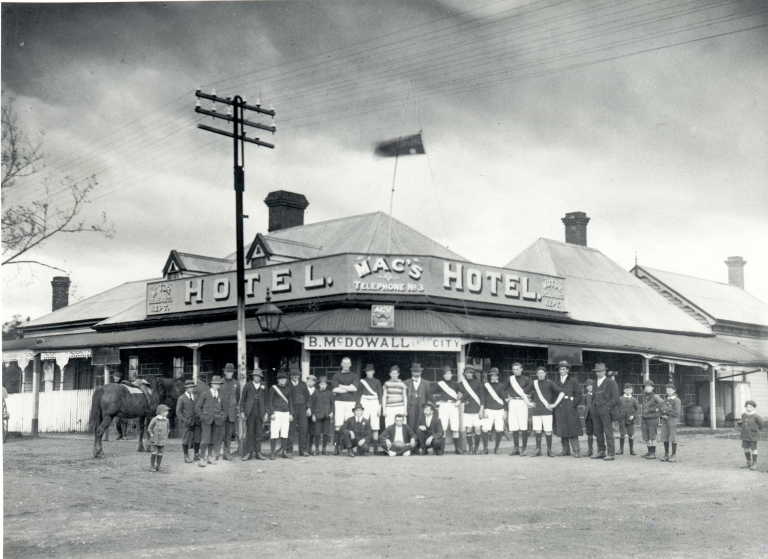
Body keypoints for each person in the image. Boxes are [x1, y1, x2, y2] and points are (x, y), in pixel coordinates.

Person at [590, 363, 620, 461]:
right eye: (597, 371)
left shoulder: (611, 382)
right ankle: (601, 451)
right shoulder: (594, 383)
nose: (599, 373)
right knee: (598, 432)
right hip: (596, 411)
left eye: (601, 371)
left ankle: (611, 453)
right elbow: (593, 396)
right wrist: (593, 407)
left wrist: (607, 407)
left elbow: (615, 398)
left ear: (605, 371)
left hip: (606, 411)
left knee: (608, 432)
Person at [552, 360, 583, 458]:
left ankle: (576, 451)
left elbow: (579, 395)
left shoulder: (573, 380)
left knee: (572, 429)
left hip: (570, 409)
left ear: (567, 370)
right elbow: (553, 395)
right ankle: (565, 450)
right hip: (560, 409)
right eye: (560, 369)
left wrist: (573, 404)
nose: (561, 371)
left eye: (564, 369)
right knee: (562, 429)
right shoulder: (556, 381)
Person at [431, 366, 463, 454]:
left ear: (451, 375)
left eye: (449, 374)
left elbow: (462, 394)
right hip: (444, 406)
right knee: (443, 427)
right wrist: (437, 403)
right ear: (443, 375)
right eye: (446, 374)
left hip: (453, 406)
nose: (448, 375)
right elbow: (431, 393)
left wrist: (459, 401)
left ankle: (457, 448)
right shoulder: (439, 384)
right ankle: (442, 449)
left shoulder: (456, 384)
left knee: (455, 426)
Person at [196, 375, 226, 467]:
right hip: (206, 421)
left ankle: (209, 457)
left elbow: (224, 408)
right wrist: (202, 417)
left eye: (219, 384)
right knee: (205, 440)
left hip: (216, 421)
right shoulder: (205, 394)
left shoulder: (221, 394)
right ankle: (201, 459)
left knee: (213, 440)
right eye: (216, 384)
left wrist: (222, 417)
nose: (218, 386)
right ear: (212, 384)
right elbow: (197, 407)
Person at [530, 366, 560, 457]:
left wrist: (554, 404)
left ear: (545, 374)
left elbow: (560, 392)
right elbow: (524, 392)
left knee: (548, 431)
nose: (541, 375)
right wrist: (529, 402)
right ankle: (538, 450)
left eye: (542, 373)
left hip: (547, 410)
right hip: (536, 411)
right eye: (539, 373)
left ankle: (549, 450)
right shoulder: (533, 383)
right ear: (537, 375)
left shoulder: (550, 383)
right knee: (538, 431)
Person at [331, 357, 359, 455]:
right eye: (344, 363)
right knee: (338, 425)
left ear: (350, 364)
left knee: (349, 425)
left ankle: (349, 448)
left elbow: (354, 388)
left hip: (350, 402)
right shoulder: (336, 375)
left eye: (348, 363)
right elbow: (334, 389)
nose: (346, 365)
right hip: (339, 402)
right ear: (341, 364)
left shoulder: (354, 375)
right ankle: (336, 447)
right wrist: (348, 388)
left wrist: (341, 386)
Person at [506, 362, 534, 456]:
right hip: (512, 402)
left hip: (522, 402)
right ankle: (516, 448)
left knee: (523, 426)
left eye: (517, 369)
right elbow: (502, 389)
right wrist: (506, 396)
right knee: (514, 426)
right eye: (514, 369)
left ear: (521, 369)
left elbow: (531, 389)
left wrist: (527, 396)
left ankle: (524, 448)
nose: (516, 371)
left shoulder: (527, 379)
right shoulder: (510, 379)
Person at [240, 368, 268, 461]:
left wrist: (266, 412)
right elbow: (242, 400)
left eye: (259, 376)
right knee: (250, 433)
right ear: (253, 377)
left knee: (259, 433)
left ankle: (258, 452)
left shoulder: (264, 386)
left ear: (261, 377)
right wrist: (242, 412)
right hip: (250, 412)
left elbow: (266, 400)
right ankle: (249, 452)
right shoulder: (247, 386)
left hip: (260, 412)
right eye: (255, 376)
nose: (257, 378)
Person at [268, 369, 294, 459]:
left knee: (284, 433)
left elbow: (290, 402)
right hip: (276, 413)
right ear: (278, 380)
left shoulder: (288, 389)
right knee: (274, 433)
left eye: (284, 379)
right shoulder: (273, 388)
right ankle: (272, 453)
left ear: (286, 380)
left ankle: (284, 452)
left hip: (286, 413)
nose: (283, 380)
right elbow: (269, 402)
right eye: (281, 379)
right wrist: (271, 413)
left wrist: (291, 414)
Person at [481, 367, 506, 454]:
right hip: (488, 409)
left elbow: (504, 399)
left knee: (499, 429)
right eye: (491, 376)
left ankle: (497, 448)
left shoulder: (501, 386)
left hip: (499, 410)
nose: (493, 377)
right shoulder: (486, 385)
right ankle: (485, 448)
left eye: (495, 376)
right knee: (485, 429)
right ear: (489, 376)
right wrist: (483, 409)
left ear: (498, 376)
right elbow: (483, 398)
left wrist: (505, 411)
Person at [460, 367, 485, 454]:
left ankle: (476, 448)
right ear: (464, 374)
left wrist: (481, 409)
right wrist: (462, 399)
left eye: (470, 373)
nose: (469, 374)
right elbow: (460, 395)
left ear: (473, 374)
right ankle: (470, 447)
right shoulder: (462, 384)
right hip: (467, 410)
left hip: (477, 409)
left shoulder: (478, 383)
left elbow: (482, 396)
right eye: (467, 373)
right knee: (469, 430)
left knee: (478, 429)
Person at [359, 364, 382, 454]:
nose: (369, 372)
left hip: (374, 403)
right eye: (367, 371)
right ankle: (365, 447)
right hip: (364, 402)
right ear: (366, 372)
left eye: (371, 371)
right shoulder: (362, 381)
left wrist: (379, 407)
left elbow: (380, 395)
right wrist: (359, 407)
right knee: (364, 424)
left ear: (373, 372)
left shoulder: (377, 381)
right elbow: (359, 394)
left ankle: (375, 448)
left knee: (375, 425)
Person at [219, 363, 241, 460]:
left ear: (233, 373)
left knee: (228, 434)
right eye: (228, 372)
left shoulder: (236, 384)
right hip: (221, 413)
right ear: (224, 372)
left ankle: (226, 453)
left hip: (231, 414)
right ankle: (215, 452)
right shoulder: (220, 383)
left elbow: (237, 397)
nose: (229, 374)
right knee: (220, 434)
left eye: (231, 372)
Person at [175, 379, 200, 463]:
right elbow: (178, 412)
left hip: (196, 421)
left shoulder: (196, 397)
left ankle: (196, 455)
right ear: (186, 389)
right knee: (185, 439)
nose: (191, 389)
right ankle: (186, 456)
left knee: (197, 438)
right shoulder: (181, 398)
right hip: (186, 422)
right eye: (189, 388)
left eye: (192, 387)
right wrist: (184, 420)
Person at [640, 379, 665, 460]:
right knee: (646, 436)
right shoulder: (644, 396)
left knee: (652, 436)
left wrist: (654, 410)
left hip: (652, 419)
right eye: (646, 387)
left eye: (649, 387)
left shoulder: (655, 396)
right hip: (645, 418)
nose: (647, 388)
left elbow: (662, 404)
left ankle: (653, 453)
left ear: (652, 388)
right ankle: (649, 451)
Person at [288, 370, 311, 456]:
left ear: (299, 376)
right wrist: (289, 411)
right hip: (292, 408)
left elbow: (307, 397)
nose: (295, 377)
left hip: (302, 408)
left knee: (303, 429)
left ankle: (303, 450)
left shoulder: (303, 384)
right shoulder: (288, 385)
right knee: (291, 430)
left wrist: (308, 407)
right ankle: (289, 450)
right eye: (294, 375)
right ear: (291, 376)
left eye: (297, 375)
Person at [310, 374, 335, 455]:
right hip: (318, 416)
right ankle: (317, 449)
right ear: (319, 385)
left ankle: (324, 449)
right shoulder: (315, 392)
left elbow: (333, 404)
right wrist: (313, 414)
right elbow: (312, 404)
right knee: (317, 433)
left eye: (324, 384)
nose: (323, 385)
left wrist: (332, 412)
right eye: (321, 384)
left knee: (326, 433)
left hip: (327, 416)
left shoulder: (330, 393)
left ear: (326, 385)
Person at [736, 400, 763, 470]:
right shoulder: (744, 415)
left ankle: (754, 463)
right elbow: (743, 422)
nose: (748, 408)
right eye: (747, 407)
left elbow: (761, 425)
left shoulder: (756, 416)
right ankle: (748, 462)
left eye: (750, 407)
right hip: (745, 435)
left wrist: (755, 430)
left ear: (754, 407)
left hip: (753, 436)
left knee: (754, 449)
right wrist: (740, 423)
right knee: (745, 448)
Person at [405, 362, 431, 430]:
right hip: (410, 408)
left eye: (418, 371)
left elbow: (429, 397)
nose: (416, 373)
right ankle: (412, 439)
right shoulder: (406, 383)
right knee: (410, 424)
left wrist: (427, 408)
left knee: (421, 425)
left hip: (422, 408)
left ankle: (420, 440)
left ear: (421, 372)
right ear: (411, 372)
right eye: (414, 371)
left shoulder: (426, 383)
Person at [659, 384, 682, 462]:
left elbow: (677, 412)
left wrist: (667, 412)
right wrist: (662, 415)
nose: (668, 391)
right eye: (667, 390)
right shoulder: (665, 400)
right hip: (665, 421)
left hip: (673, 420)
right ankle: (666, 454)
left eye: (670, 390)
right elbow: (661, 409)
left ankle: (673, 455)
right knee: (664, 436)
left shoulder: (677, 400)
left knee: (673, 437)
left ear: (674, 390)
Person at [617, 383, 640, 456]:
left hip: (630, 420)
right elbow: (616, 408)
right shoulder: (620, 399)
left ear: (632, 390)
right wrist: (619, 416)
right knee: (622, 434)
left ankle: (631, 450)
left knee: (631, 435)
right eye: (626, 389)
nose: (628, 391)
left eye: (629, 389)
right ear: (624, 390)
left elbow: (638, 409)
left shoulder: (634, 400)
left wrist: (633, 416)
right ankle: (621, 450)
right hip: (622, 419)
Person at [147, 404, 170, 472]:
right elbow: (149, 428)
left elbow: (168, 429)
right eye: (166, 411)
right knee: (154, 452)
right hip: (155, 439)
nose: (167, 413)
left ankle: (158, 466)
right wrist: (151, 435)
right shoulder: (155, 419)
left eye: (167, 411)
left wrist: (166, 435)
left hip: (162, 440)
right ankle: (152, 466)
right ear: (161, 412)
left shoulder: (167, 420)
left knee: (160, 453)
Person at [581, 379, 595, 456]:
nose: (589, 387)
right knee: (589, 434)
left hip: (596, 417)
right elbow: (584, 405)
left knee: (599, 434)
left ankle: (601, 450)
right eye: (587, 386)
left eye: (590, 386)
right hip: (588, 417)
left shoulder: (596, 394)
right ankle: (590, 450)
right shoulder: (585, 396)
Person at [306, 375, 318, 454]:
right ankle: (304, 449)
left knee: (312, 432)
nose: (311, 382)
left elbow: (317, 404)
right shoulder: (303, 390)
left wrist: (314, 414)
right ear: (307, 381)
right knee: (304, 431)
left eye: (312, 381)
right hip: (304, 413)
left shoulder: (316, 391)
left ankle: (310, 449)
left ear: (314, 382)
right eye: (309, 380)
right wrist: (308, 408)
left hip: (313, 414)